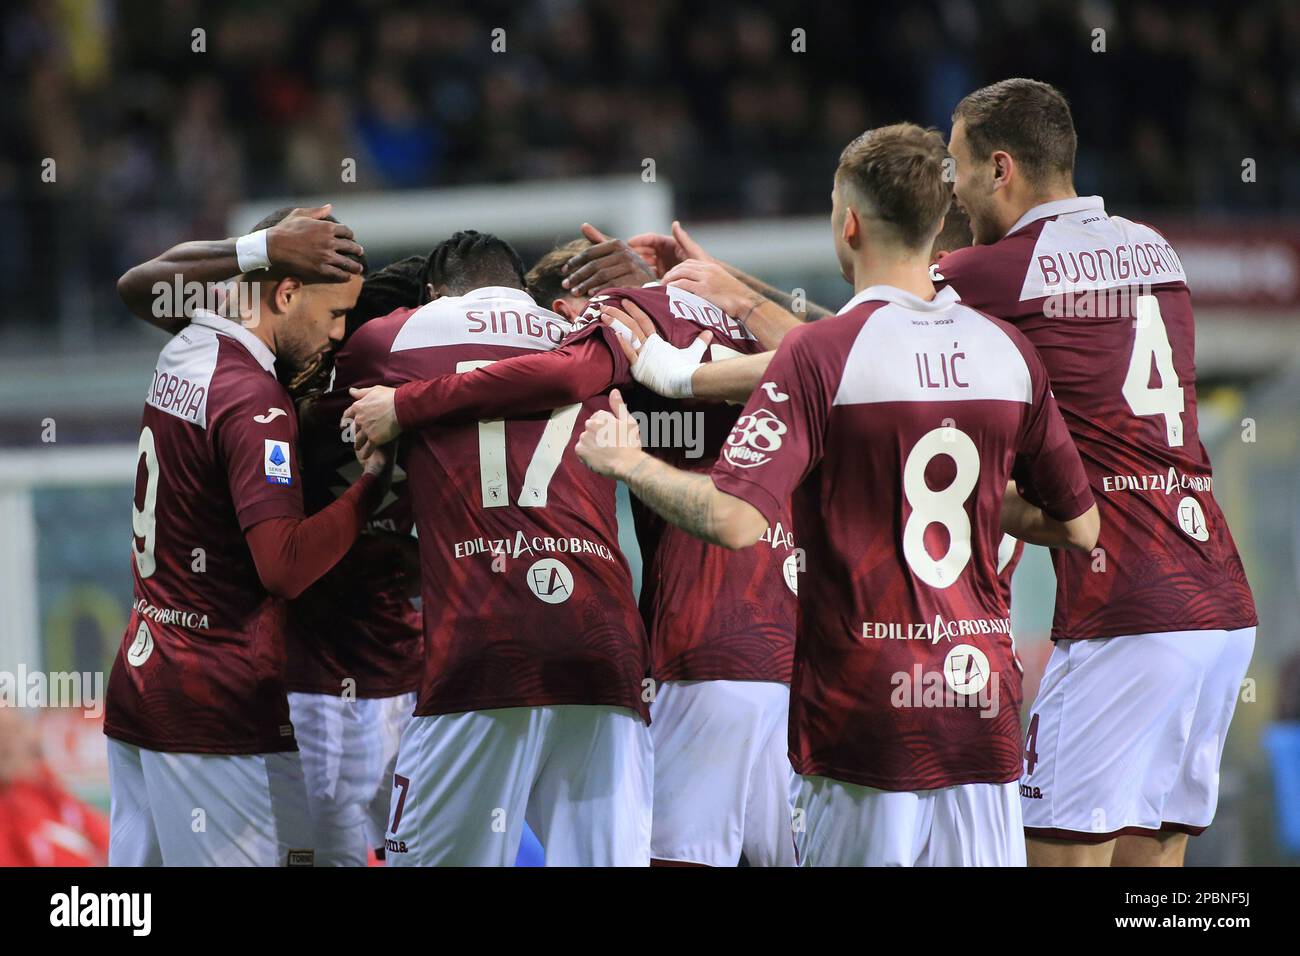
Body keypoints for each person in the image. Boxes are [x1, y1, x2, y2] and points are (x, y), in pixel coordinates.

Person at [575, 123, 1099, 866]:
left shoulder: (820, 355)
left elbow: (731, 518)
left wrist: (629, 462)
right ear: (940, 221)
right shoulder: (1007, 353)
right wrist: (983, 503)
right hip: (979, 709)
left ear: (847, 221)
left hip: (865, 716)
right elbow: (1079, 529)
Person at [346, 237, 799, 866]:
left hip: (504, 655)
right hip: (640, 654)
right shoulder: (601, 332)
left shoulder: (400, 338)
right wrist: (737, 294)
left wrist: (401, 406)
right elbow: (840, 354)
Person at [940, 78, 1257, 867]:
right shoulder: (1158, 249)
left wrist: (722, 309)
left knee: (1052, 851)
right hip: (1219, 604)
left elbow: (853, 351)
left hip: (1130, 608)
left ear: (1001, 169)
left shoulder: (996, 271)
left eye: (957, 167)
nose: (951, 188)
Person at [344, 231, 652, 866]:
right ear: (520, 286)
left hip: (483, 647)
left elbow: (325, 407)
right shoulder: (580, 331)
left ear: (432, 294)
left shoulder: (396, 337)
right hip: (605, 643)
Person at [106, 206, 390, 866]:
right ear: (286, 293)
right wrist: (374, 481)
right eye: (334, 316)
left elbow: (138, 286)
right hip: (209, 701)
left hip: (144, 672)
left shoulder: (191, 346)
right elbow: (284, 567)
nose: (339, 336)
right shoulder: (253, 401)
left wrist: (259, 248)